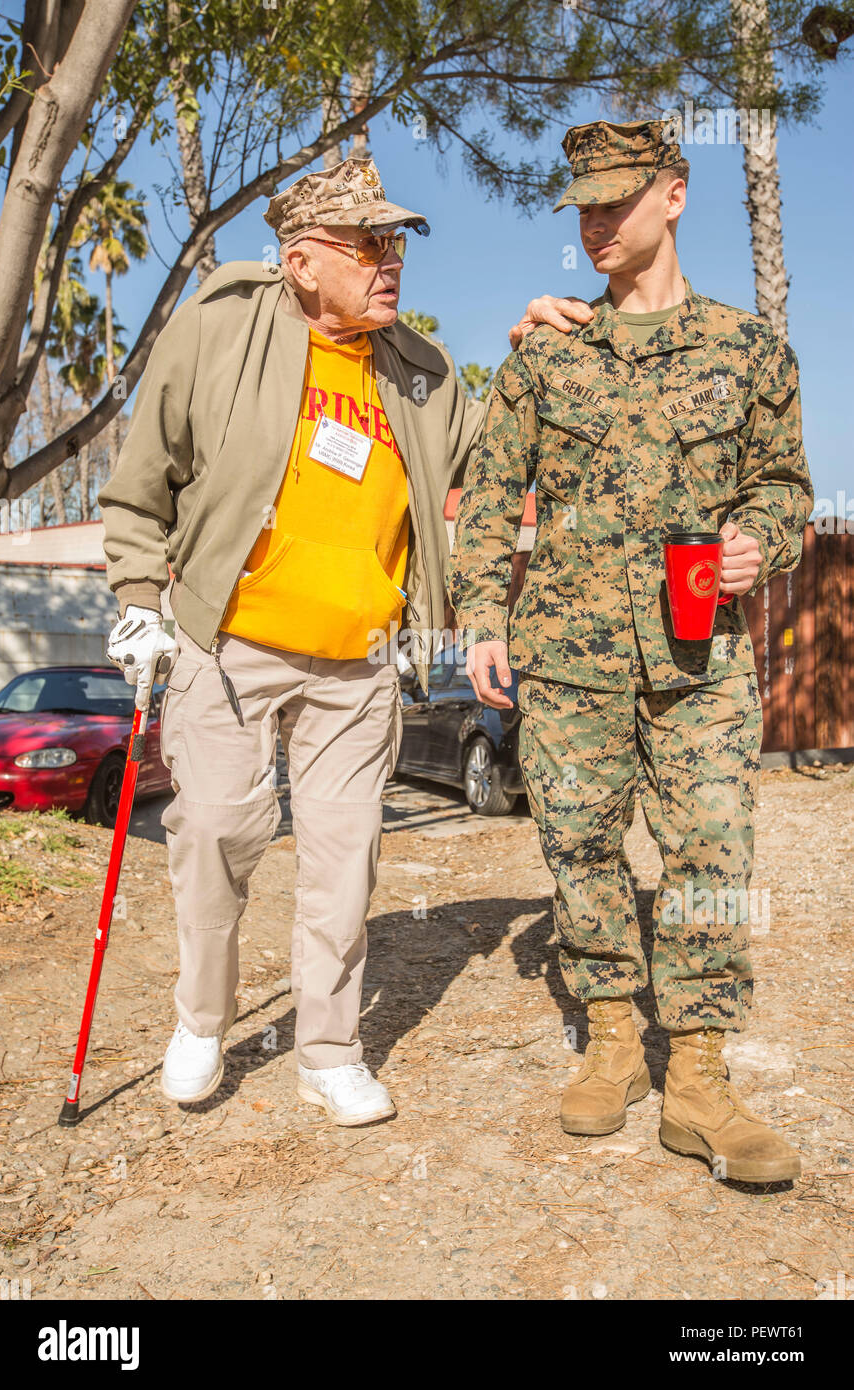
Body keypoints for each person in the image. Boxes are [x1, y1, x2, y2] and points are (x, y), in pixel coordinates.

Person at [99, 156, 589, 1126]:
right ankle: (201, 1019)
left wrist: (521, 347)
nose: (389, 259)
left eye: (395, 241)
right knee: (217, 836)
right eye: (366, 243)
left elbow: (483, 462)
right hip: (225, 644)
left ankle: (327, 1050)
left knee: (342, 858)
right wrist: (136, 596)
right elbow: (140, 479)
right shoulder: (218, 332)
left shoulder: (416, 369)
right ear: (298, 260)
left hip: (359, 661)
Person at [447, 120, 813, 1182]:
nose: (595, 223)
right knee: (579, 845)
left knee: (711, 851)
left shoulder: (748, 350)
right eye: (583, 208)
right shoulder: (544, 353)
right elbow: (487, 501)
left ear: (675, 194)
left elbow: (783, 484)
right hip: (566, 658)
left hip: (698, 662)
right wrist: (480, 619)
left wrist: (765, 540)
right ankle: (611, 1036)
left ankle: (697, 1070)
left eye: (615, 200)